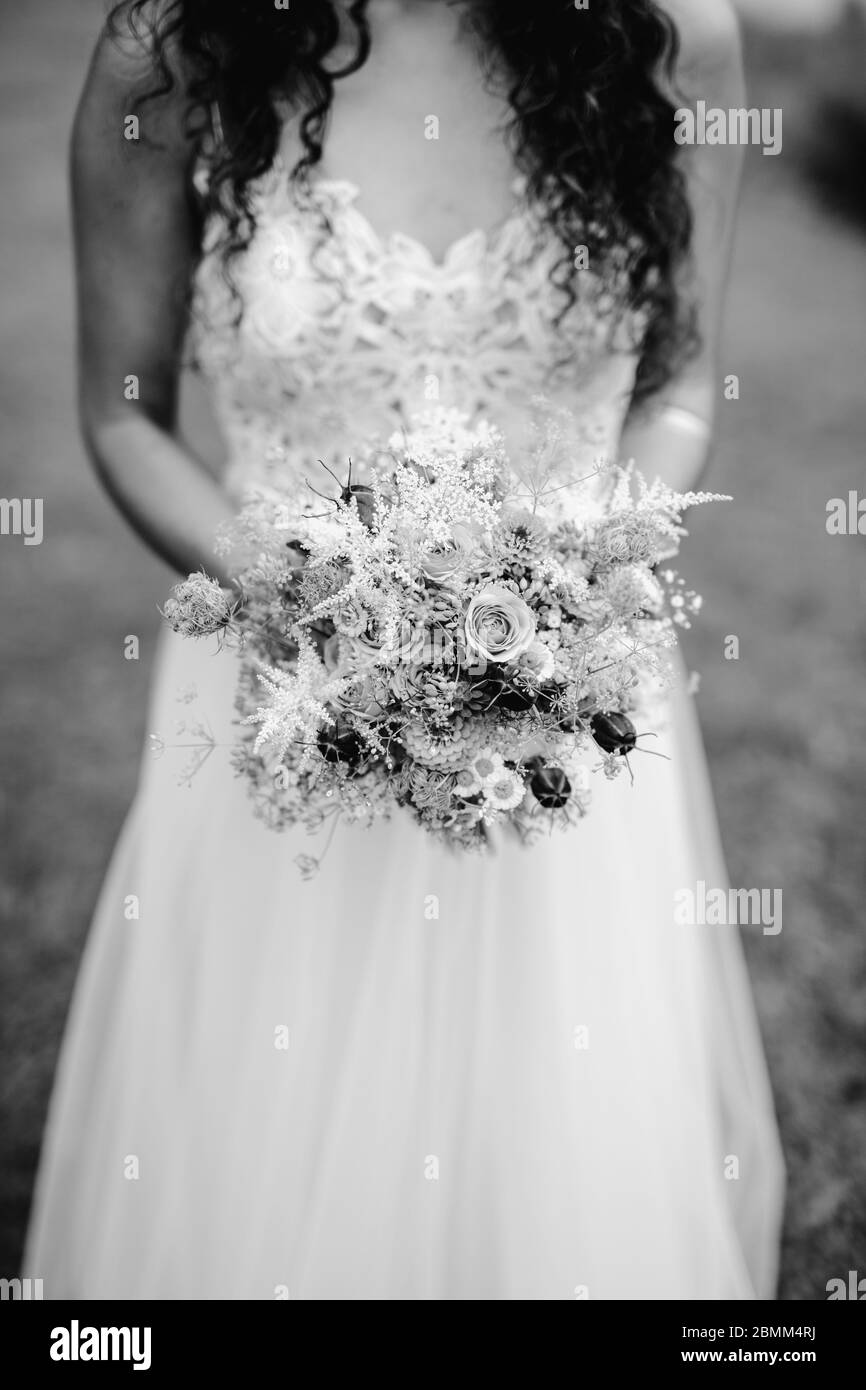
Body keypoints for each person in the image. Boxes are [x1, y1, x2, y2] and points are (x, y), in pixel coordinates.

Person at [24, 0, 784, 1299]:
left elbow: (678, 387)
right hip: (282, 696)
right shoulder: (180, 46)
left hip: (556, 702)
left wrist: (575, 573)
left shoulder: (671, 35)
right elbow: (122, 411)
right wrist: (307, 596)